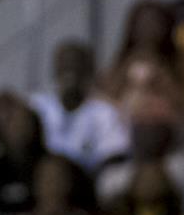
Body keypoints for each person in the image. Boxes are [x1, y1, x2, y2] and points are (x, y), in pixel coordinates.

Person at [31, 40, 129, 170]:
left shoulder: (104, 112)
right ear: (55, 70)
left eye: (76, 67)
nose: (71, 73)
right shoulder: (38, 105)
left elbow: (113, 154)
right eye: (65, 67)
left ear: (89, 73)